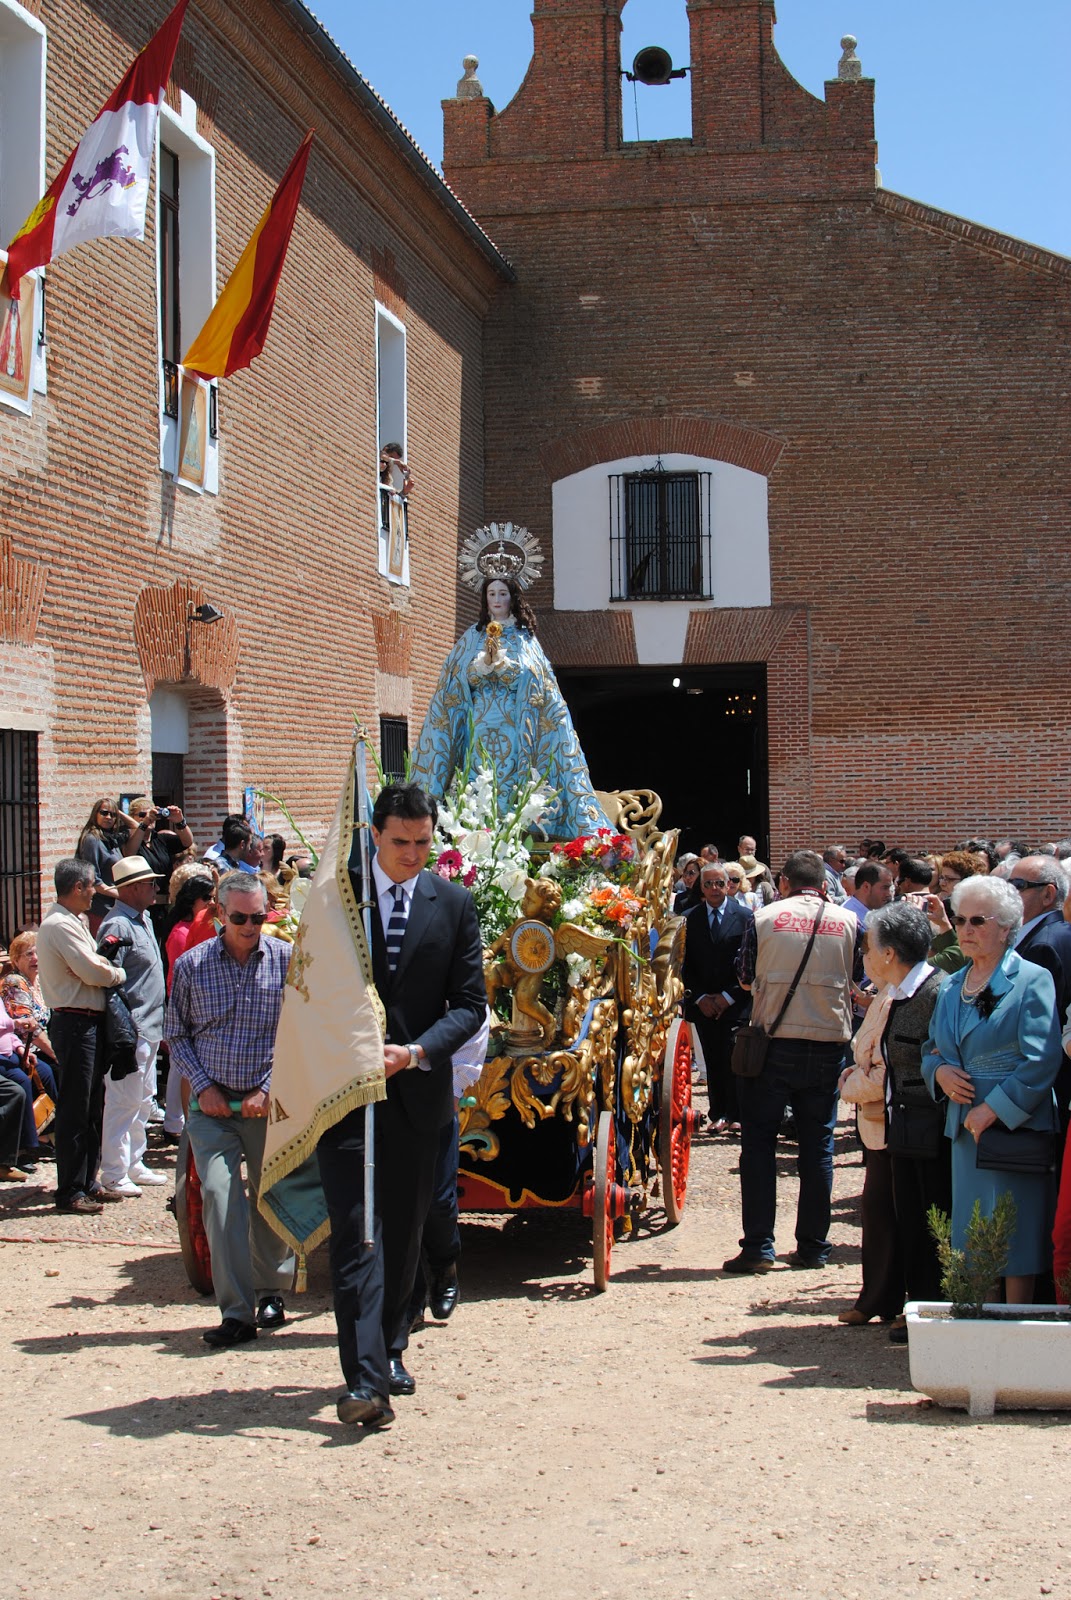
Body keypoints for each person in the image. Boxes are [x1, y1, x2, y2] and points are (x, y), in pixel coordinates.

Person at [317, 782, 485, 1428]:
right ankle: (362, 1380)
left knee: (402, 1231)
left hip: (416, 1096)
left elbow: (469, 1004)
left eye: (422, 843)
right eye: (400, 843)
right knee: (357, 1233)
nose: (413, 855)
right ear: (374, 837)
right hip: (344, 1097)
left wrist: (414, 1052)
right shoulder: (337, 902)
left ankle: (389, 1348)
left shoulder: (454, 905)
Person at [165, 872, 295, 1346]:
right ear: (220, 913)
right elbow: (176, 1032)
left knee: (270, 1196)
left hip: (266, 1103)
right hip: (212, 1107)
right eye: (239, 917)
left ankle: (271, 1291)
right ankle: (236, 1312)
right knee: (220, 1199)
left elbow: (297, 1032)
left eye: (258, 917)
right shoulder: (193, 965)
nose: (249, 925)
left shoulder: (285, 960)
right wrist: (203, 1088)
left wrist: (268, 1085)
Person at [921, 875, 1061, 1304]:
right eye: (960, 919)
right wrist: (940, 1073)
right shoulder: (950, 985)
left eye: (977, 920)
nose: (965, 929)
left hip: (1012, 1125)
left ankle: (1015, 1326)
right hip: (964, 1126)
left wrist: (993, 1109)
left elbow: (1042, 1057)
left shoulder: (1032, 979)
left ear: (1006, 927)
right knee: (971, 1228)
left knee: (1012, 1230)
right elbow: (931, 1048)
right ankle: (976, 1321)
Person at [724, 849, 856, 1273]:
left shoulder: (763, 918)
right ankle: (814, 1246)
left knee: (758, 1146)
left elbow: (744, 976)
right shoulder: (851, 921)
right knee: (818, 1148)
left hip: (773, 1044)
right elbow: (860, 976)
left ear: (783, 882)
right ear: (823, 884)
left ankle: (759, 1246)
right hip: (828, 1044)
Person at [409, 573, 612, 838]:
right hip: (479, 728)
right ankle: (477, 836)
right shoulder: (472, 637)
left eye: (502, 593)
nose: (497, 599)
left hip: (516, 731)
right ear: (484, 598)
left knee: (512, 782)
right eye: (491, 593)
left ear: (512, 597)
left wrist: (507, 669)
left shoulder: (524, 638)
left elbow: (538, 681)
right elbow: (454, 683)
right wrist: (480, 669)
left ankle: (516, 835)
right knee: (479, 781)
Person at [836, 902, 947, 1341]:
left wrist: (850, 1084)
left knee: (916, 1215)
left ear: (887, 953)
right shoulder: (889, 989)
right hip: (886, 1124)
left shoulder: (931, 994)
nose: (863, 954)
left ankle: (915, 1306)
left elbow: (898, 1067)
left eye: (868, 946)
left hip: (913, 1125)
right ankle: (882, 1298)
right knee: (884, 1210)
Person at [35, 858, 129, 1214]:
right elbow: (92, 971)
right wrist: (116, 973)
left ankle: (88, 1181)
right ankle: (70, 1190)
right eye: (91, 886)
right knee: (76, 1108)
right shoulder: (58, 924)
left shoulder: (73, 921)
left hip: (88, 1021)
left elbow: (91, 966)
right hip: (74, 1023)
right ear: (77, 888)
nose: (95, 892)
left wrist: (103, 968)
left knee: (92, 1106)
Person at [96, 857, 168, 1198]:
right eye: (150, 883)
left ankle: (134, 1162)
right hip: (133, 1028)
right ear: (132, 888)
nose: (155, 888)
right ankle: (113, 1171)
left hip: (150, 1025)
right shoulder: (118, 926)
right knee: (123, 1101)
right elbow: (108, 979)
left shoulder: (144, 920)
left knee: (142, 1099)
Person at [681, 864, 753, 1134]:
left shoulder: (745, 917)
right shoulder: (689, 918)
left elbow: (750, 962)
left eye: (720, 884)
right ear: (701, 887)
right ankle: (718, 1113)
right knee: (712, 1058)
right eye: (708, 884)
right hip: (703, 1004)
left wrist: (727, 997)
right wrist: (700, 998)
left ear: (728, 885)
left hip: (735, 1001)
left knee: (735, 1056)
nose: (714, 889)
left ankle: (738, 1113)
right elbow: (683, 965)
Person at [1009, 857, 1071, 1132]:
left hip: (1044, 1090)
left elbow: (1040, 1030)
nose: (1009, 892)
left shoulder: (1043, 946)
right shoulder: (1055, 934)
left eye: (1018, 885)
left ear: (1048, 893)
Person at [76, 797, 149, 933]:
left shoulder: (111, 839)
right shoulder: (92, 840)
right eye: (104, 813)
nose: (109, 817)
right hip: (100, 908)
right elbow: (94, 881)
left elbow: (137, 827)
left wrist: (118, 811)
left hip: (114, 905)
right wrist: (123, 895)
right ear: (95, 814)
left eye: (113, 815)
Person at [1, 931, 58, 1076]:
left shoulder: (39, 981)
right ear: (16, 959)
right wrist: (56, 1055)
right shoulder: (15, 982)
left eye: (38, 952)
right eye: (29, 954)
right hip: (23, 1048)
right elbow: (28, 1031)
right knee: (53, 1072)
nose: (36, 958)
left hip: (43, 1047)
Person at [841, 861, 894, 929]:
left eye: (889, 888)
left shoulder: (879, 912)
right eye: (885, 888)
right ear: (866, 886)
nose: (888, 894)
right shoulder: (847, 918)